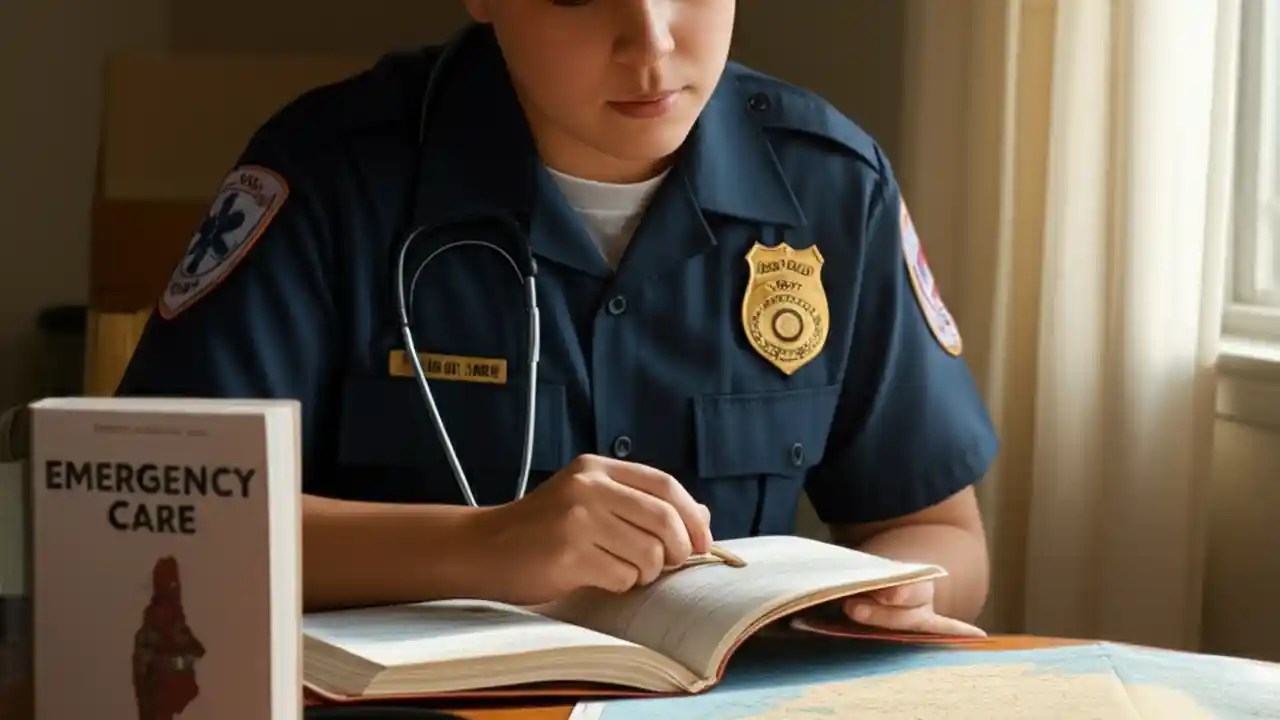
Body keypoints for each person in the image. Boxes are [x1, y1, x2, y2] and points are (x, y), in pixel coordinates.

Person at [116, 0, 998, 637]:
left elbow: (943, 533)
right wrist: (484, 547)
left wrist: (898, 594)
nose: (650, 40)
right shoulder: (330, 176)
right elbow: (159, 522)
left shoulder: (834, 186)